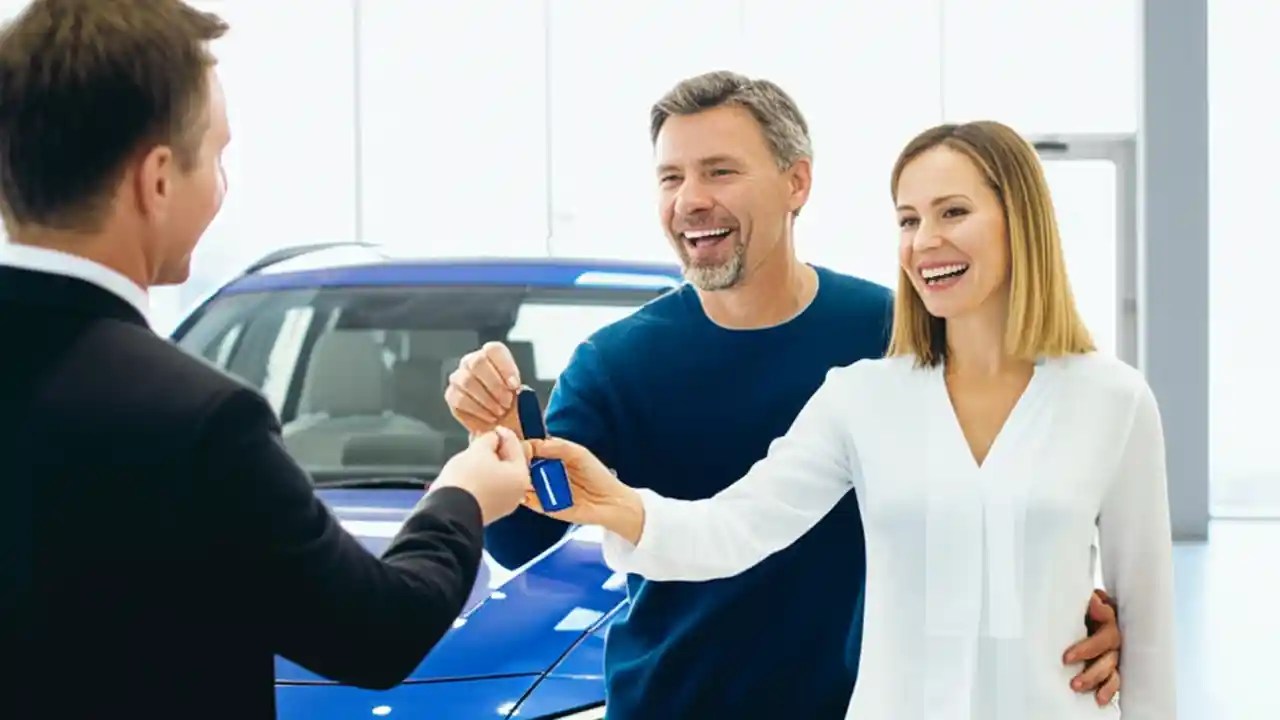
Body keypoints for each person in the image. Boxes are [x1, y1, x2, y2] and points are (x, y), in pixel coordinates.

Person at [444, 72, 1124, 719]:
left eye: (720, 170)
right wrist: (496, 438)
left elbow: (990, 495)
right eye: (670, 177)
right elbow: (522, 537)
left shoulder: (893, 337)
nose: (689, 199)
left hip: (855, 705)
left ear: (796, 182)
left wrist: (1067, 608)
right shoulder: (615, 364)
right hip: (670, 705)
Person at [0, 2, 531, 718]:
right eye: (217, 156)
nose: (223, 185)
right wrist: (463, 493)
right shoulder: (195, 421)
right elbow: (375, 633)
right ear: (156, 181)